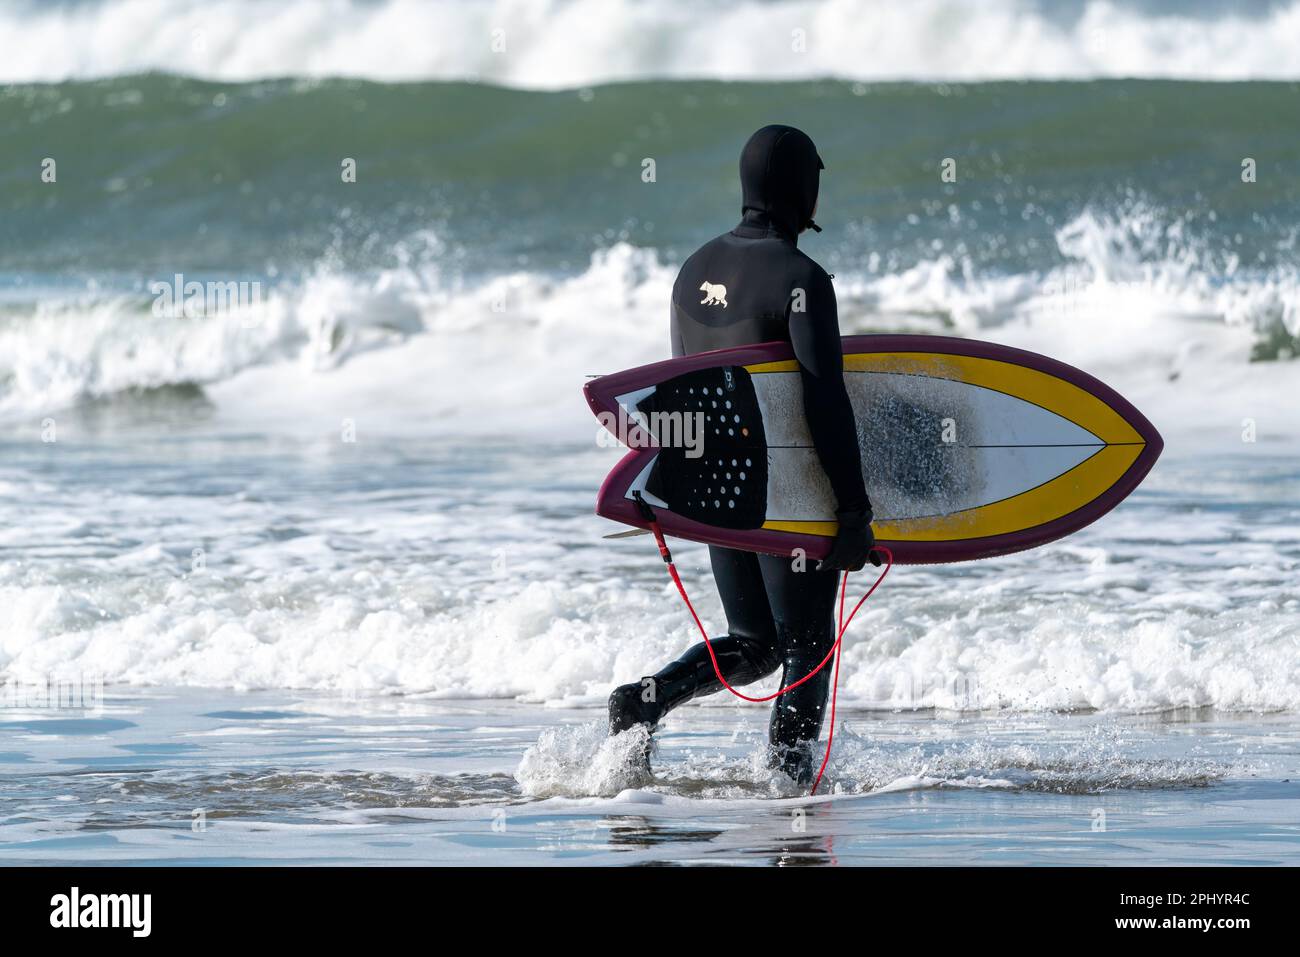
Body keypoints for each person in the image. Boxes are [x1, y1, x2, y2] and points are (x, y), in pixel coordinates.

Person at [608, 124, 879, 785]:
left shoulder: (692, 271)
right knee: (808, 650)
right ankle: (790, 801)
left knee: (757, 645)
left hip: (713, 486)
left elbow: (687, 388)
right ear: (801, 189)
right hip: (783, 489)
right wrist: (852, 509)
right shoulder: (801, 279)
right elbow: (823, 401)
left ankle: (641, 701)